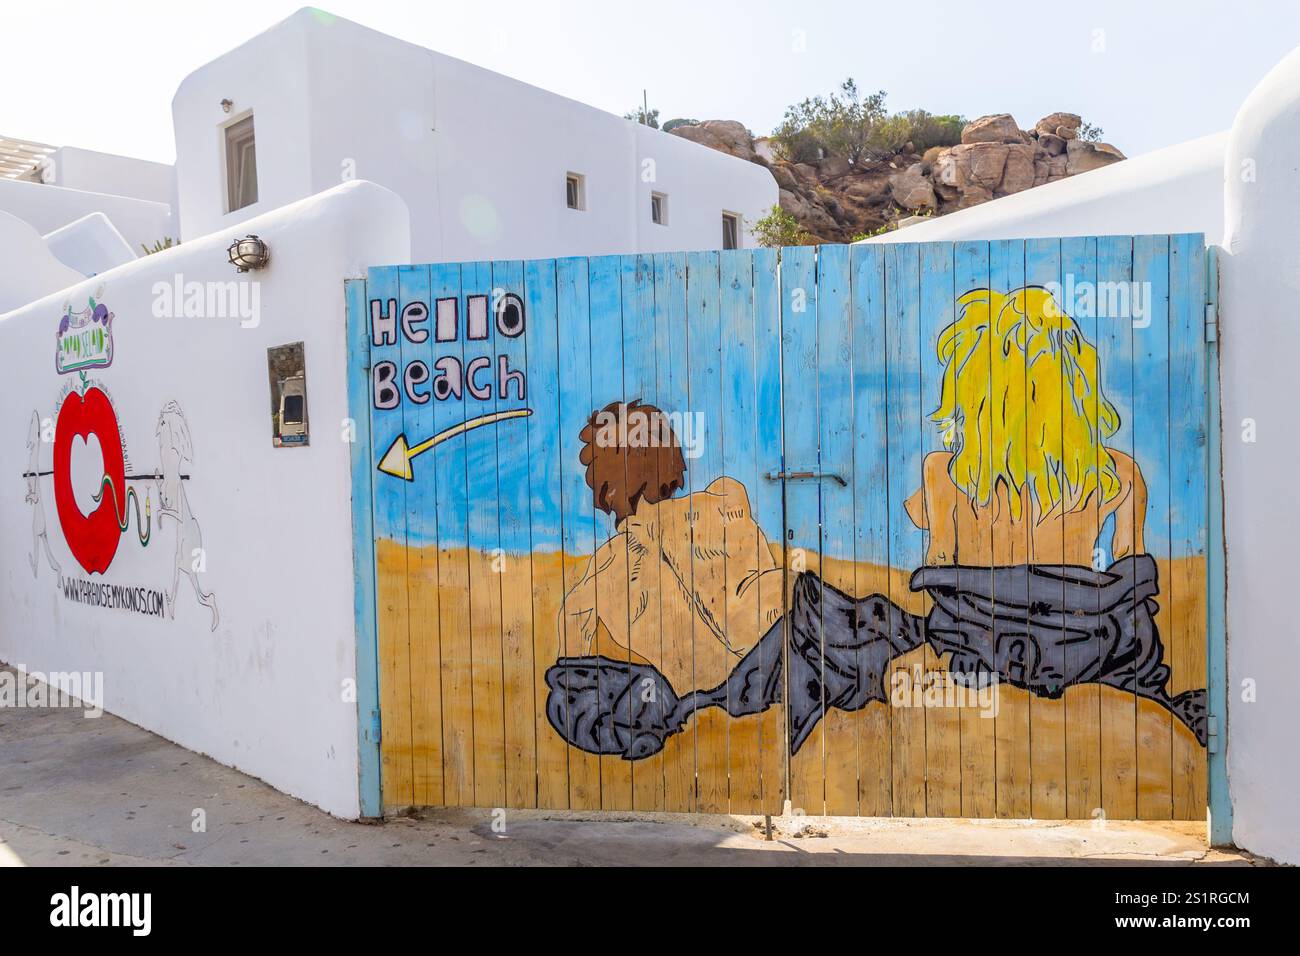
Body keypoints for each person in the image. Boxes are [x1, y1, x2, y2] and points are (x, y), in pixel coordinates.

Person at [544, 288, 1206, 761]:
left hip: (972, 648)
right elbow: (1133, 596)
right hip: (1088, 648)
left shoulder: (945, 474)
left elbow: (943, 578)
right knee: (817, 609)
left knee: (831, 618)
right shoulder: (1122, 474)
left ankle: (730, 694)